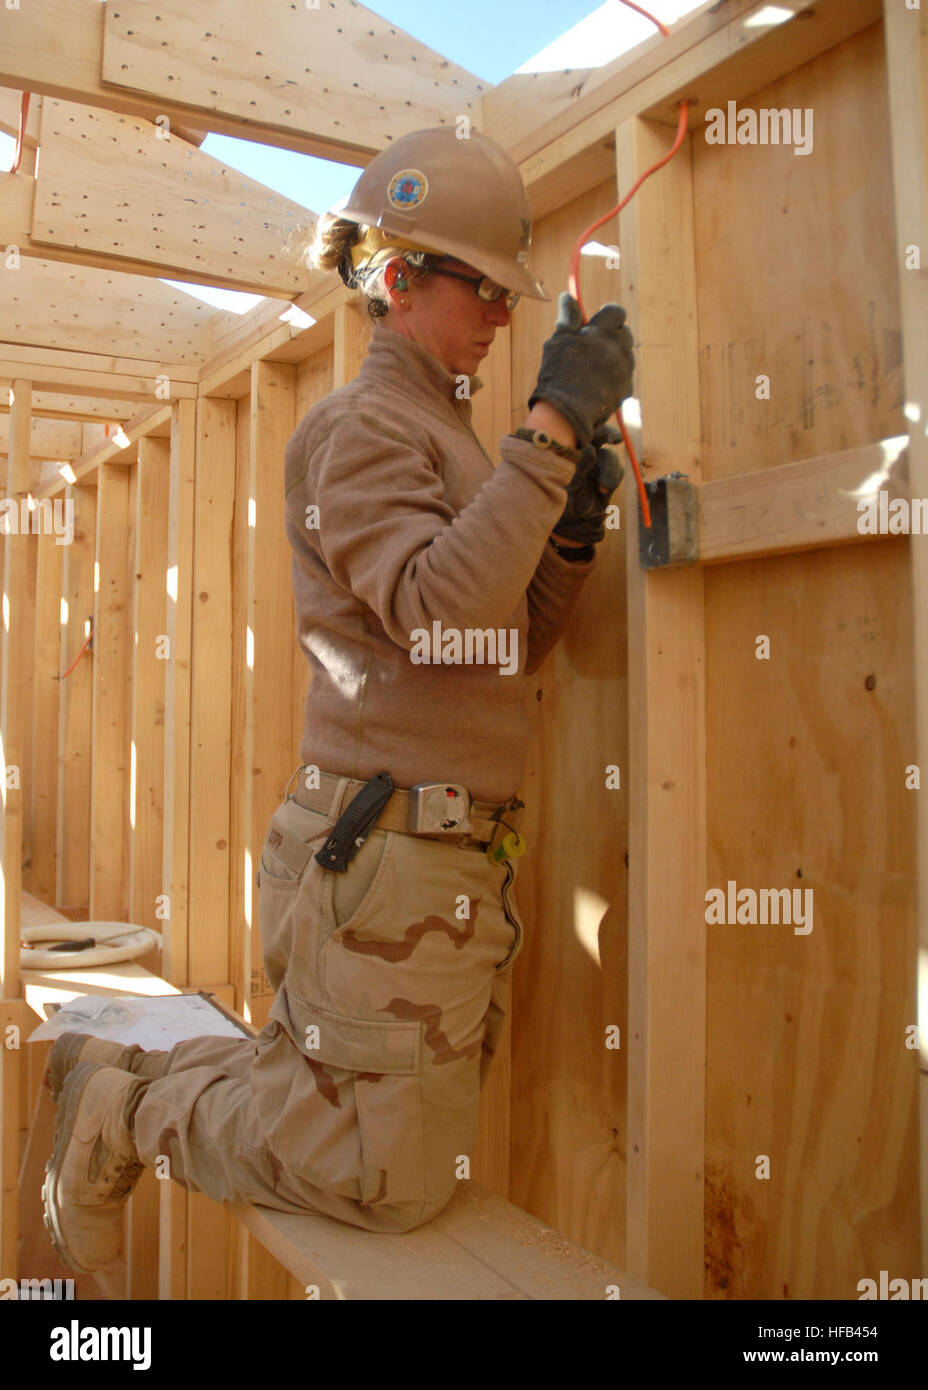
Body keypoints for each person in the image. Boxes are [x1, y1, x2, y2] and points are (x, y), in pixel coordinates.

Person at [41, 126, 634, 1272]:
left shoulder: (452, 440)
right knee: (375, 1180)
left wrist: (564, 532)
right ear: (400, 278)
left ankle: (123, 1084)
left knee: (378, 1148)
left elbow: (496, 646)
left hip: (432, 866)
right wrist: (551, 431)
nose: (505, 314)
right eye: (484, 287)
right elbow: (430, 603)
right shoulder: (361, 428)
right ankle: (128, 1112)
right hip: (385, 858)